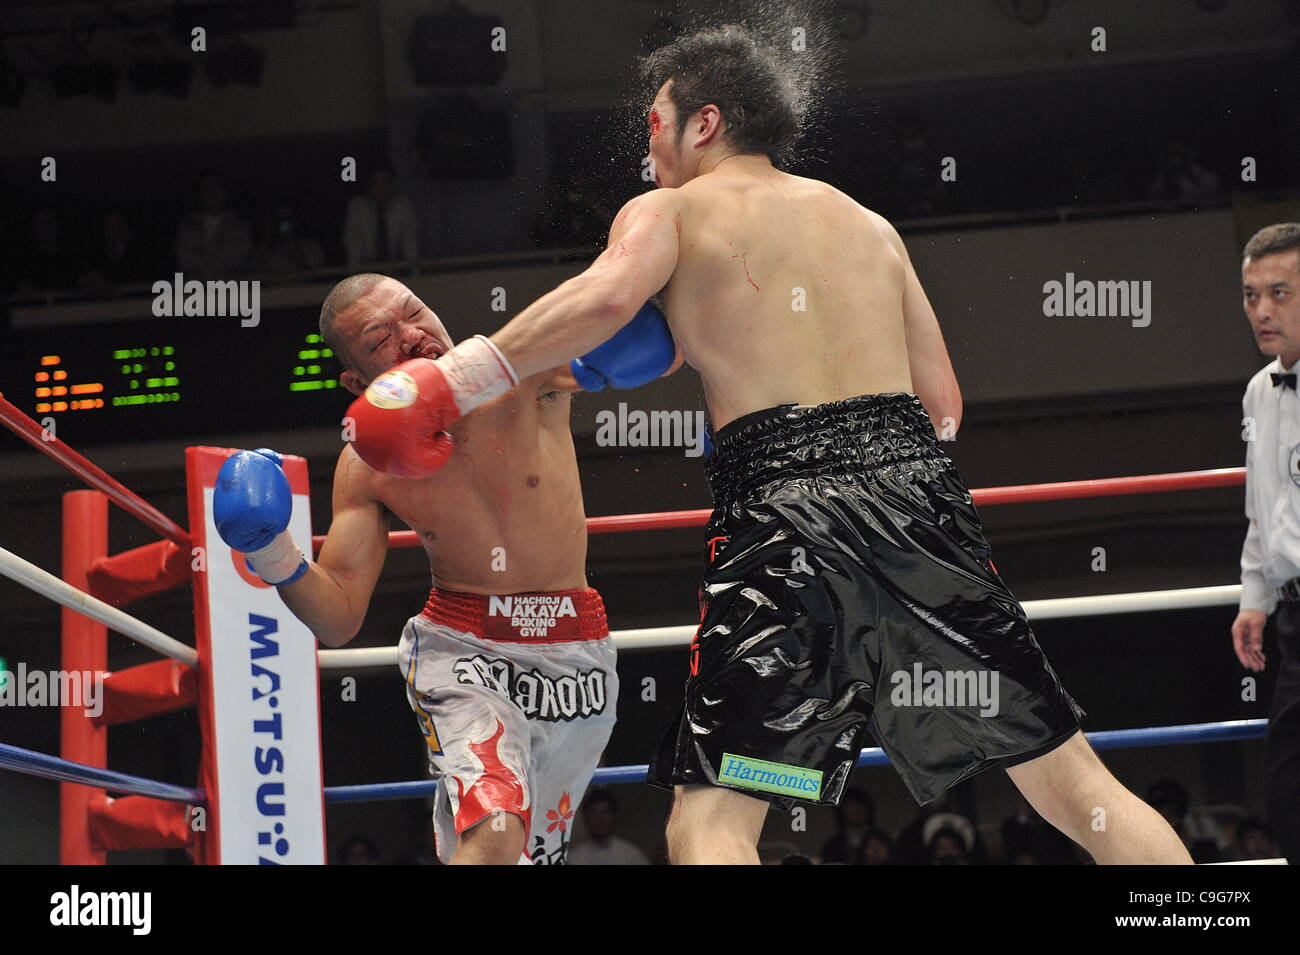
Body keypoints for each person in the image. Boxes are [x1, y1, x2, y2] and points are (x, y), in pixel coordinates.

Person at [340, 23, 1192, 866]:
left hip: (785, 527)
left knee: (711, 824)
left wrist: (454, 382)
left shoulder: (670, 210)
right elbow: (943, 404)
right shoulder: (868, 224)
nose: (651, 146)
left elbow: (602, 299)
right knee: (1081, 792)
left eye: (657, 122)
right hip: (922, 504)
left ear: (703, 123)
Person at [212, 273, 672, 864]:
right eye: (381, 339)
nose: (411, 336)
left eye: (414, 313)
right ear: (356, 381)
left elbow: (660, 345)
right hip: (464, 652)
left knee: (533, 851)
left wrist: (641, 339)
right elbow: (339, 618)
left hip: (577, 650)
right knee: (497, 827)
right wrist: (270, 551)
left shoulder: (522, 371)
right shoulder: (367, 464)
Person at [1232, 220, 1300, 865]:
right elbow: (1264, 507)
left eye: (1279, 292)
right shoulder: (1261, 390)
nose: (1262, 309)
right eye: (1252, 295)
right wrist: (1256, 597)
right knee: (1287, 789)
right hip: (1295, 619)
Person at [174, 169, 253, 279]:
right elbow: (185, 260)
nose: (212, 191)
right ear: (198, 194)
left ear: (225, 193)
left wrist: (204, 253)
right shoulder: (187, 226)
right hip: (197, 291)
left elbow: (240, 257)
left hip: (231, 289)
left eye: (216, 186)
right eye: (206, 187)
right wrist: (219, 257)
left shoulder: (239, 225)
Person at [566, 788, 651, 865]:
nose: (599, 819)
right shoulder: (573, 858)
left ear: (614, 816)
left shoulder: (632, 855)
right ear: (585, 818)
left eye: (605, 813)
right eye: (594, 813)